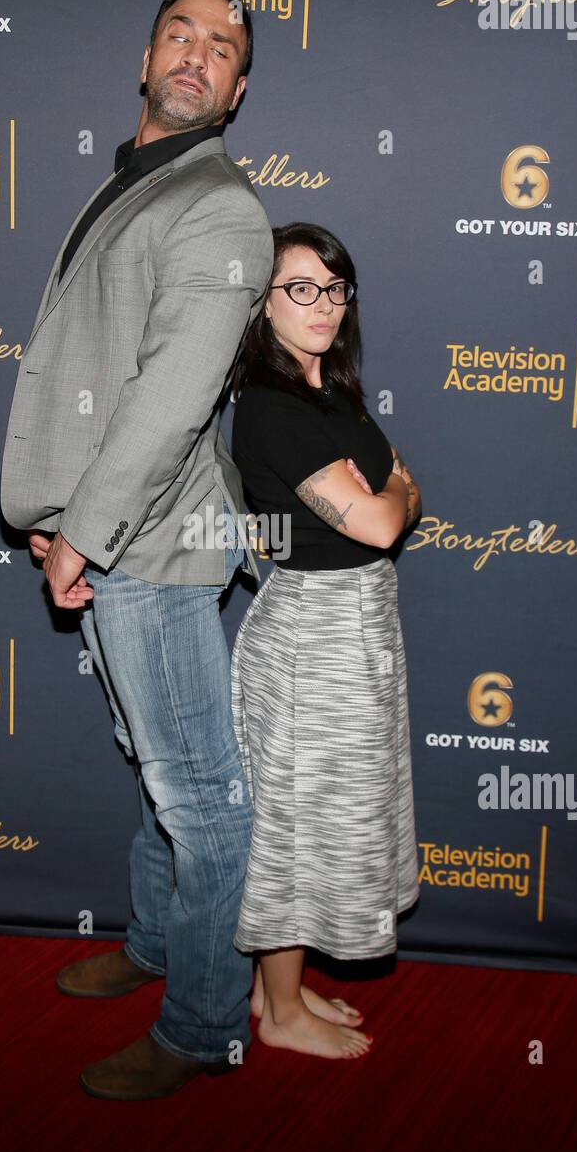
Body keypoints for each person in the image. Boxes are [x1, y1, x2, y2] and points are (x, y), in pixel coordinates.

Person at [0, 0, 274, 1100]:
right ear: (146, 56)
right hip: (115, 535)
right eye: (181, 33)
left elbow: (168, 399)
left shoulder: (222, 209)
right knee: (159, 773)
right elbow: (94, 368)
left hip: (151, 548)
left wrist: (87, 534)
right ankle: (158, 944)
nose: (198, 55)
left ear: (240, 89)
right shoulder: (134, 181)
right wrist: (59, 511)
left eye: (223, 47)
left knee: (204, 797)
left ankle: (205, 1023)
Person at [229, 221, 422, 1060]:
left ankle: (286, 987)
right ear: (262, 304)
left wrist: (396, 490)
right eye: (298, 287)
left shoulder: (331, 396)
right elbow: (385, 514)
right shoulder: (272, 410)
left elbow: (391, 493)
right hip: (315, 635)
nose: (322, 304)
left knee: (336, 816)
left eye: (334, 287)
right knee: (299, 825)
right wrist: (401, 492)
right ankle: (277, 1012)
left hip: (361, 625)